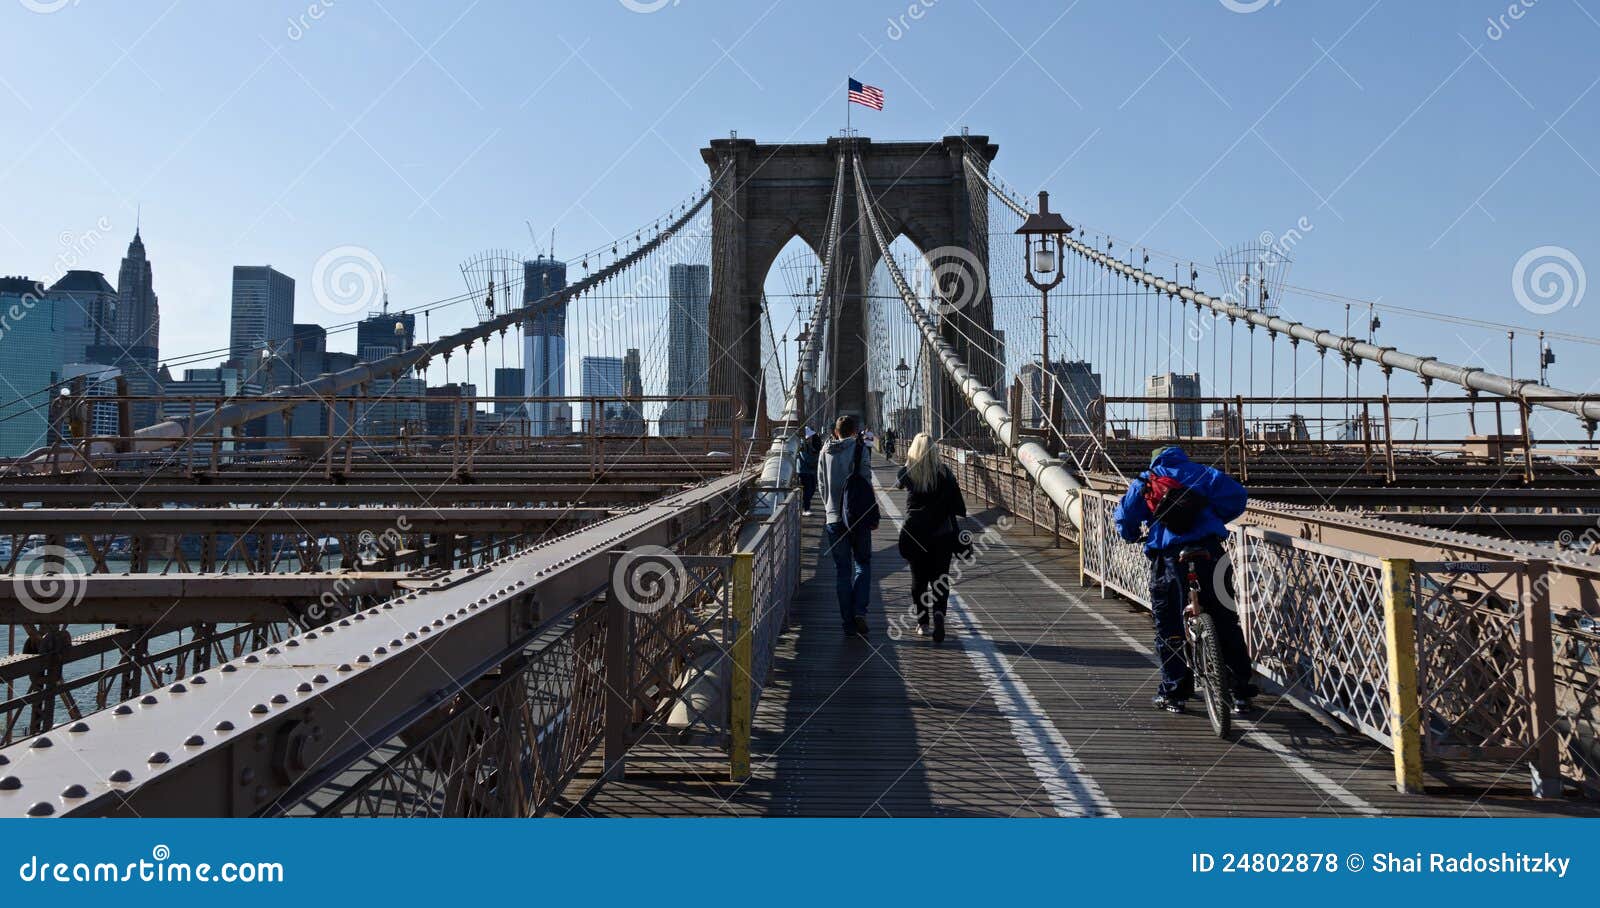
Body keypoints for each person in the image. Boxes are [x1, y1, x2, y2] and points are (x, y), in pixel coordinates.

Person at [1113, 445, 1257, 715]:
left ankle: (1174, 693)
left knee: (1169, 626)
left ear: (1155, 460)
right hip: (1210, 553)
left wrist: (1131, 534)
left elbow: (1125, 517)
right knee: (1226, 620)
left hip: (1169, 559)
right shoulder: (1205, 473)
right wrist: (1214, 517)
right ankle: (1240, 692)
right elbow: (1238, 496)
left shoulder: (1146, 480)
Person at [895, 433, 967, 643]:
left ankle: (923, 623)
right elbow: (957, 505)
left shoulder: (908, 472)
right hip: (942, 535)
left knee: (918, 581)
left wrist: (910, 462)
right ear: (935, 451)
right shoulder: (945, 473)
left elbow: (898, 482)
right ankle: (939, 614)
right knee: (940, 579)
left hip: (916, 534)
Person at [819, 414, 874, 636]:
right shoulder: (860, 449)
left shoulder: (824, 451)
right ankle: (859, 611)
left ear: (835, 432)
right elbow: (866, 481)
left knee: (842, 571)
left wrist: (830, 509)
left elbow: (821, 484)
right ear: (854, 431)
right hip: (858, 517)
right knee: (863, 564)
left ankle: (848, 623)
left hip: (834, 519)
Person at [796, 427, 821, 515]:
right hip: (803, 471)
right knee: (807, 491)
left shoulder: (809, 445)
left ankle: (805, 507)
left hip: (810, 471)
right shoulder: (802, 445)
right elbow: (806, 458)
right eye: (810, 436)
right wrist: (816, 459)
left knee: (812, 489)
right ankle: (805, 509)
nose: (811, 438)